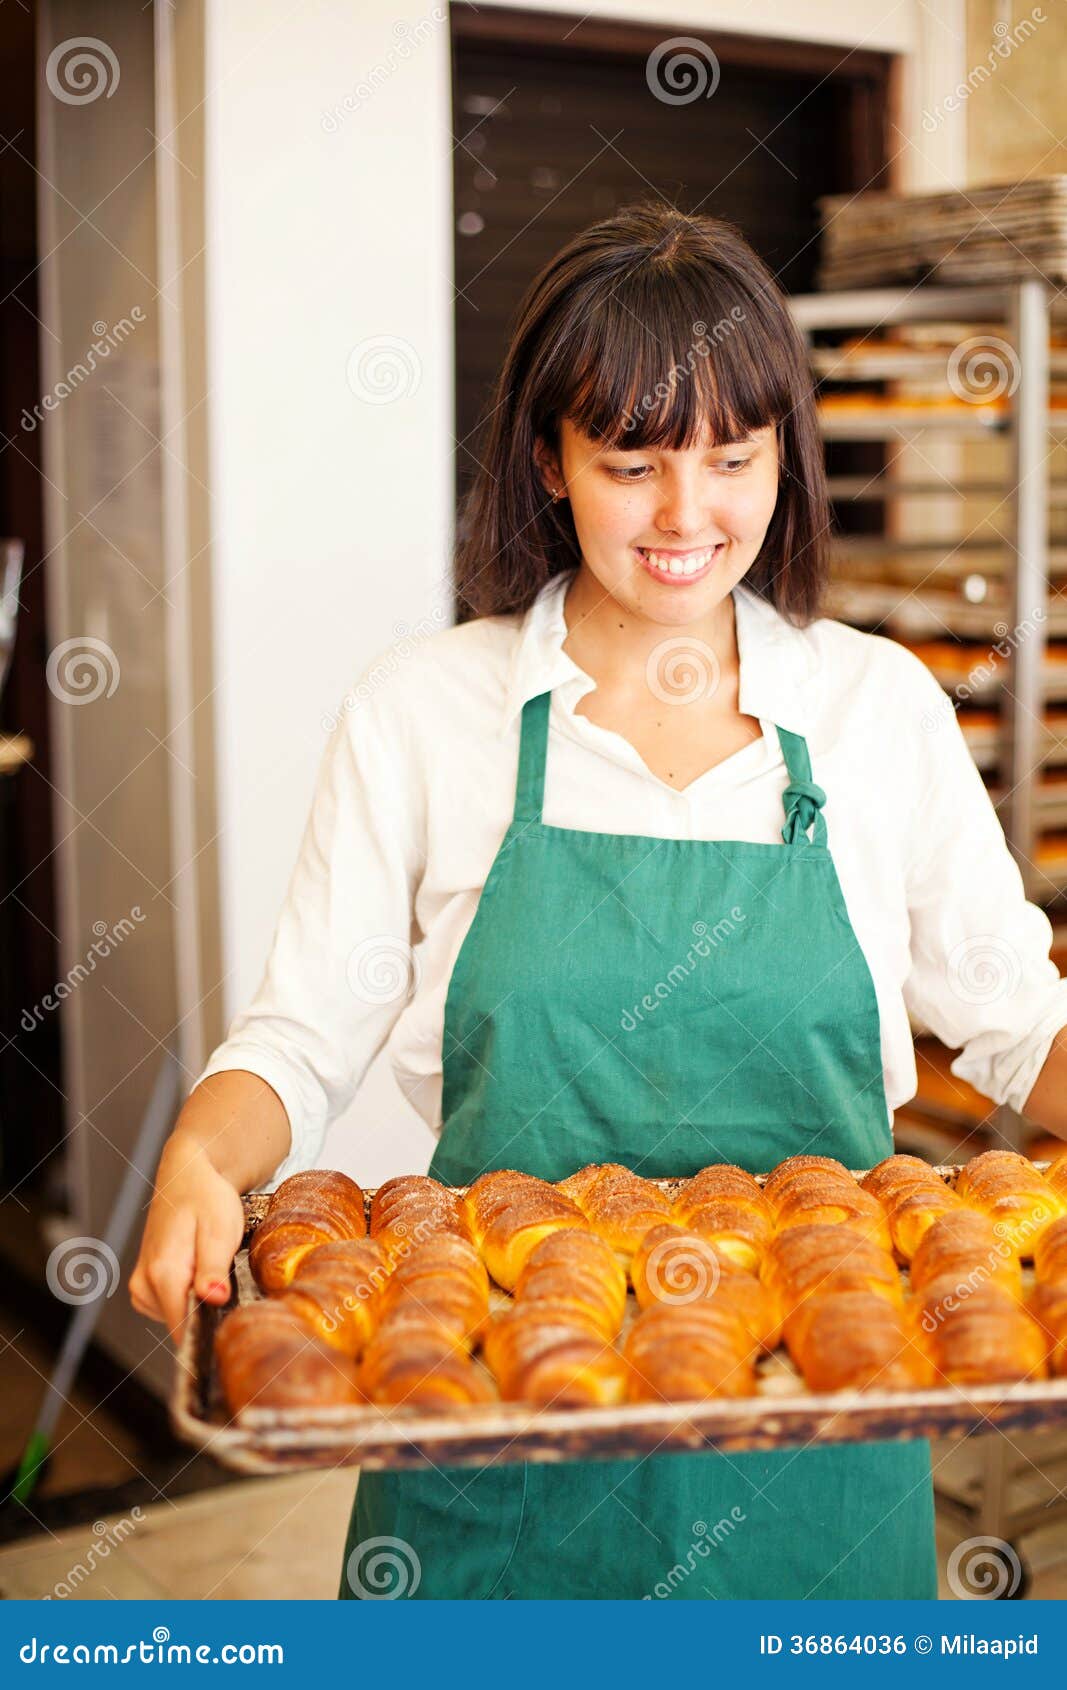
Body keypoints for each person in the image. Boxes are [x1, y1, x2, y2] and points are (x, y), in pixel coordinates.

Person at [131, 201, 1067, 1600]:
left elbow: (1021, 1022)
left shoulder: (875, 709)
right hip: (497, 1434)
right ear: (550, 462)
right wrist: (205, 1156)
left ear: (783, 459)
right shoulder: (424, 711)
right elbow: (300, 1031)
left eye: (734, 459)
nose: (690, 517)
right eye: (634, 462)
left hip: (817, 1447)